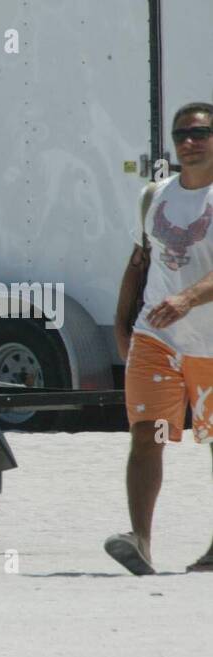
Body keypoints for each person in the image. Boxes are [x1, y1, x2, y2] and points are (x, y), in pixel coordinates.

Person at [106, 101, 213, 575]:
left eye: (200, 133)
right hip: (157, 337)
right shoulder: (155, 196)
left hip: (209, 341)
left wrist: (189, 298)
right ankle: (141, 540)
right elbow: (139, 262)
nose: (189, 142)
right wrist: (122, 324)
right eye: (181, 135)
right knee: (145, 435)